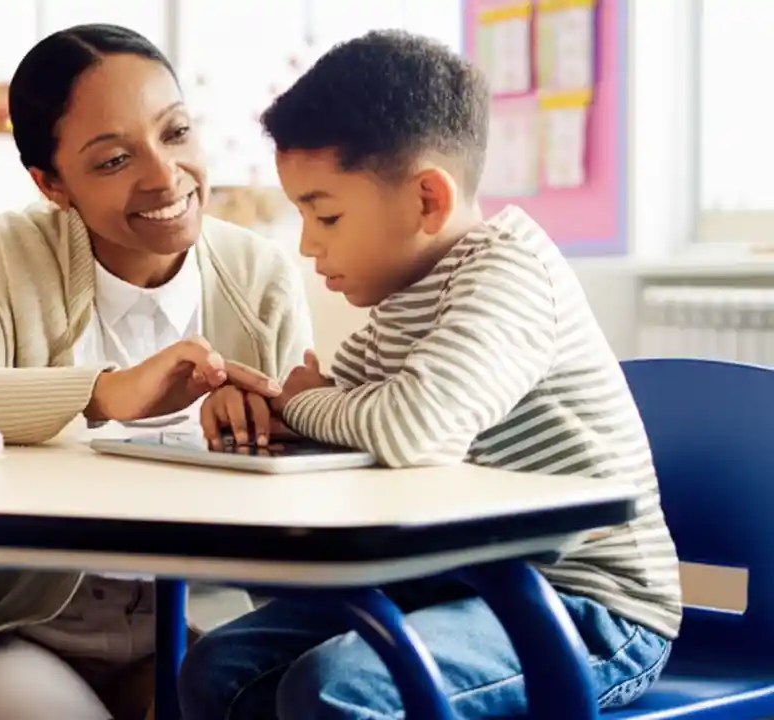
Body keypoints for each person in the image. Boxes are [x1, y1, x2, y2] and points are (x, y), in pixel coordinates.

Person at [182, 30, 682, 719]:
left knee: (337, 685)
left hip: (590, 612)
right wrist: (264, 407)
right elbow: (339, 419)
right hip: (459, 588)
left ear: (426, 200)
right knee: (217, 667)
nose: (306, 243)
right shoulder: (405, 297)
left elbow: (410, 429)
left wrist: (302, 406)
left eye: (325, 213)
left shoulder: (510, 275)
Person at [0, 24, 313, 720]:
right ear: (52, 184)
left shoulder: (258, 274)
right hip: (17, 629)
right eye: (114, 160)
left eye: (175, 133)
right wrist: (104, 392)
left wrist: (286, 422)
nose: (163, 175)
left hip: (187, 620)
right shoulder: (10, 254)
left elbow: (301, 475)